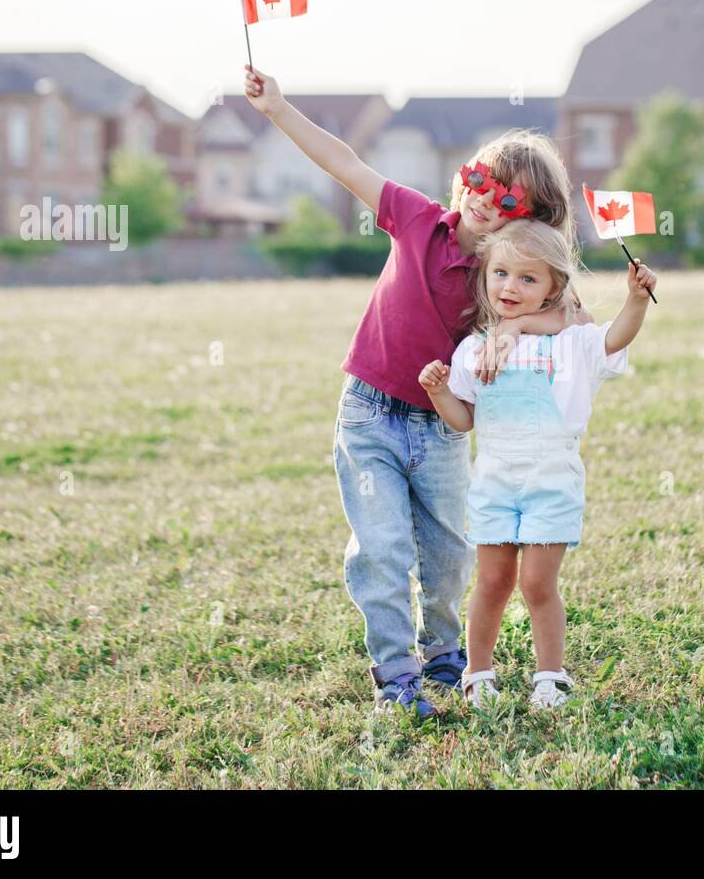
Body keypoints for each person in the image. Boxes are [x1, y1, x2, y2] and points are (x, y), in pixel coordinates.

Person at [243, 65, 589, 717]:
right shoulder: (415, 218)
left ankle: (442, 651)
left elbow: (578, 317)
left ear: (534, 224)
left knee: (450, 556)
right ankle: (396, 679)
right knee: (381, 551)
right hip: (369, 413)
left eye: (508, 199)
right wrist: (279, 110)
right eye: (481, 179)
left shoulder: (510, 277)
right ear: (465, 175)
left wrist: (517, 328)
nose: (485, 199)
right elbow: (344, 162)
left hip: (440, 428)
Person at [418, 218, 657, 709]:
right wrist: (440, 391)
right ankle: (477, 672)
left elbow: (615, 338)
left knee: (536, 583)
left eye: (529, 278)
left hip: (552, 481)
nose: (511, 287)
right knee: (492, 582)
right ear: (485, 275)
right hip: (494, 483)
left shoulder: (571, 344)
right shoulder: (473, 350)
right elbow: (464, 421)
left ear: (554, 289)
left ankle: (551, 675)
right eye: (501, 273)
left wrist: (635, 300)